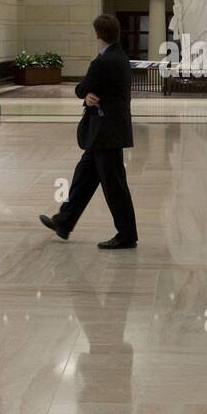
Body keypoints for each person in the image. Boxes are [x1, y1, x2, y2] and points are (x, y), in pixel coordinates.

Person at [39, 14, 139, 250]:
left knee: (114, 186)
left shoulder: (102, 62)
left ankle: (127, 234)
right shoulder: (120, 57)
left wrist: (85, 94)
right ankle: (64, 221)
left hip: (106, 132)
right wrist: (90, 95)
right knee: (83, 177)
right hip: (107, 132)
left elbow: (81, 88)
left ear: (98, 35)